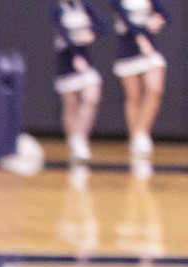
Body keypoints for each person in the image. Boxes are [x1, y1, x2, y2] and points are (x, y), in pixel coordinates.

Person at [54, 2, 107, 163]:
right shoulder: (57, 8)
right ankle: (73, 143)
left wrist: (91, 33)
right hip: (67, 59)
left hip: (85, 61)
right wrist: (75, 56)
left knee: (92, 97)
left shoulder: (84, 6)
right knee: (71, 106)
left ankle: (80, 138)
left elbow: (103, 25)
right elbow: (63, 33)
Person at [113, 0, 167, 158]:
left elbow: (164, 12)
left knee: (155, 89)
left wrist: (158, 19)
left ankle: (141, 133)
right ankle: (135, 139)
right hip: (128, 49)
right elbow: (126, 19)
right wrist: (140, 38)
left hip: (150, 49)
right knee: (133, 96)